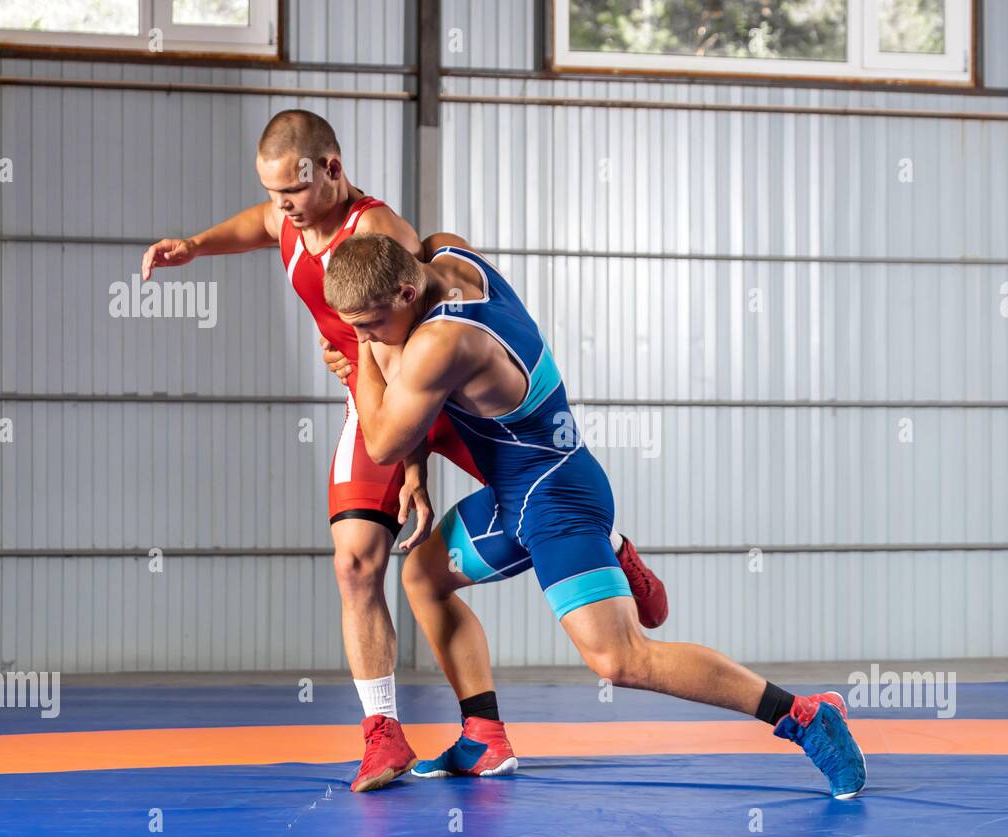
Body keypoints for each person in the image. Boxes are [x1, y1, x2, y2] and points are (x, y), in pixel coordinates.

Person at [140, 109, 668, 792]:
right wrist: (194, 245)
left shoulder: (384, 235)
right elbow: (255, 227)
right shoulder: (287, 222)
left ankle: (611, 543)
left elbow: (408, 352)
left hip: (435, 399)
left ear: (331, 168)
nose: (281, 209)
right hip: (381, 399)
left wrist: (412, 461)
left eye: (290, 193)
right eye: (271, 194)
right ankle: (383, 733)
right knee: (357, 561)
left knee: (544, 492)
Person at [321, 231, 866, 798]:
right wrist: (375, 340)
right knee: (422, 576)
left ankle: (804, 716)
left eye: (368, 321)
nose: (362, 333)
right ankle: (483, 735)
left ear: (408, 292)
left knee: (619, 660)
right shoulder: (452, 256)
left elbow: (381, 440)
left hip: (558, 498)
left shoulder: (442, 341)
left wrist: (357, 353)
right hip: (516, 495)